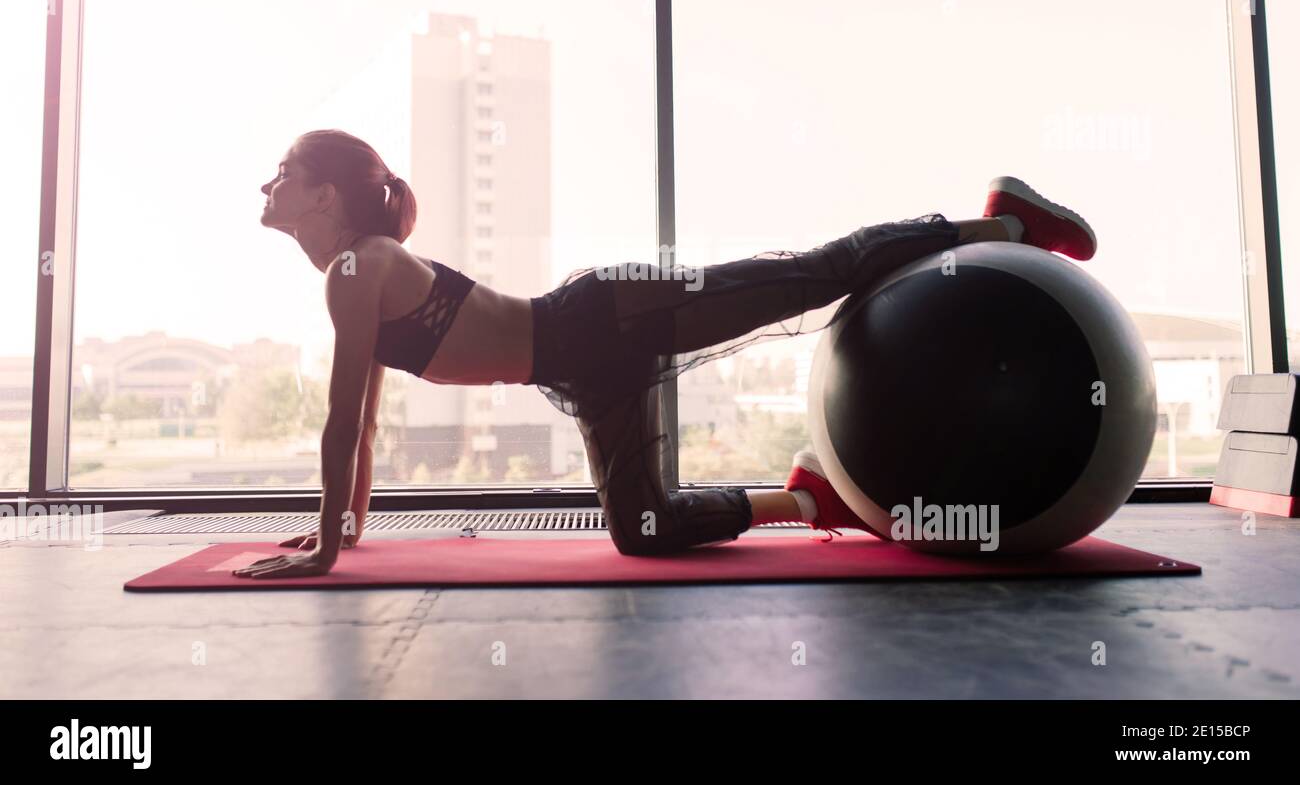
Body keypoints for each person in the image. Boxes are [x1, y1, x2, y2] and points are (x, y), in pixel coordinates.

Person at [235, 130, 1096, 578]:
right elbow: (367, 425)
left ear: (324, 192)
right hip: (582, 364)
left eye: (280, 172)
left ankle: (1000, 220)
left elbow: (342, 420)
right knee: (642, 533)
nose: (266, 187)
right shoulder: (355, 270)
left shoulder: (357, 265)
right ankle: (805, 501)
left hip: (607, 310)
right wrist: (342, 527)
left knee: (806, 275)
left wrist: (326, 552)